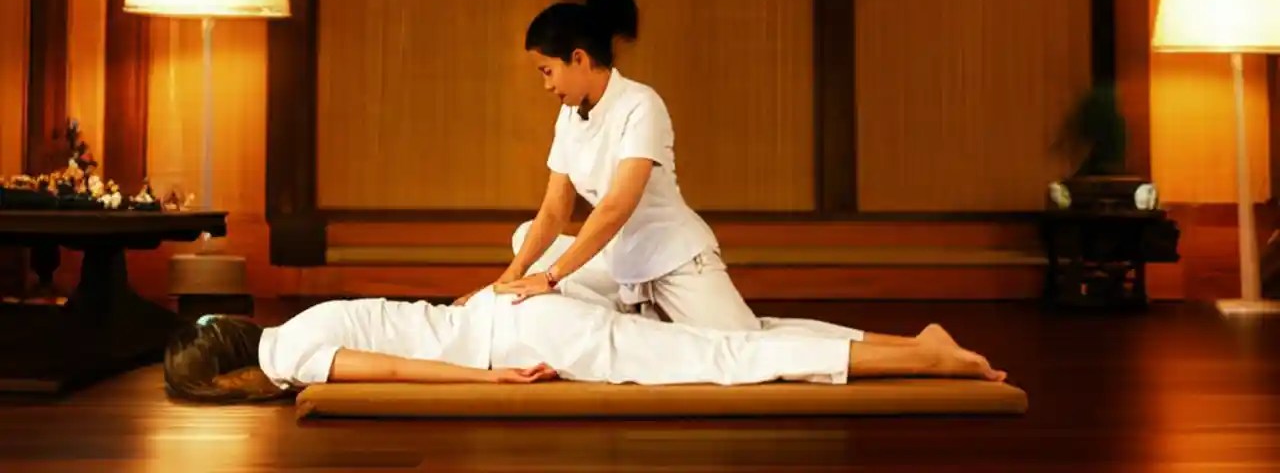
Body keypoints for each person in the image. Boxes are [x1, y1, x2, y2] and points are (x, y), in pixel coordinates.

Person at [457, 0, 760, 331]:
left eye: (547, 71)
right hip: (619, 264)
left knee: (744, 345)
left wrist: (551, 277)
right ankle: (628, 315)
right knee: (525, 236)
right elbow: (555, 209)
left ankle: (833, 351)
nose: (546, 85)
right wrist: (507, 281)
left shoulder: (641, 105)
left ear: (579, 58)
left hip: (672, 258)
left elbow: (617, 205)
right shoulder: (569, 115)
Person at [162, 285, 1008, 402]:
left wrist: (487, 380)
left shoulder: (284, 359)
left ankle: (926, 357)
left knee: (715, 360)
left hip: (523, 332)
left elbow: (389, 366)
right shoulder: (300, 320)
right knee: (724, 338)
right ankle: (907, 339)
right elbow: (408, 319)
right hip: (508, 309)